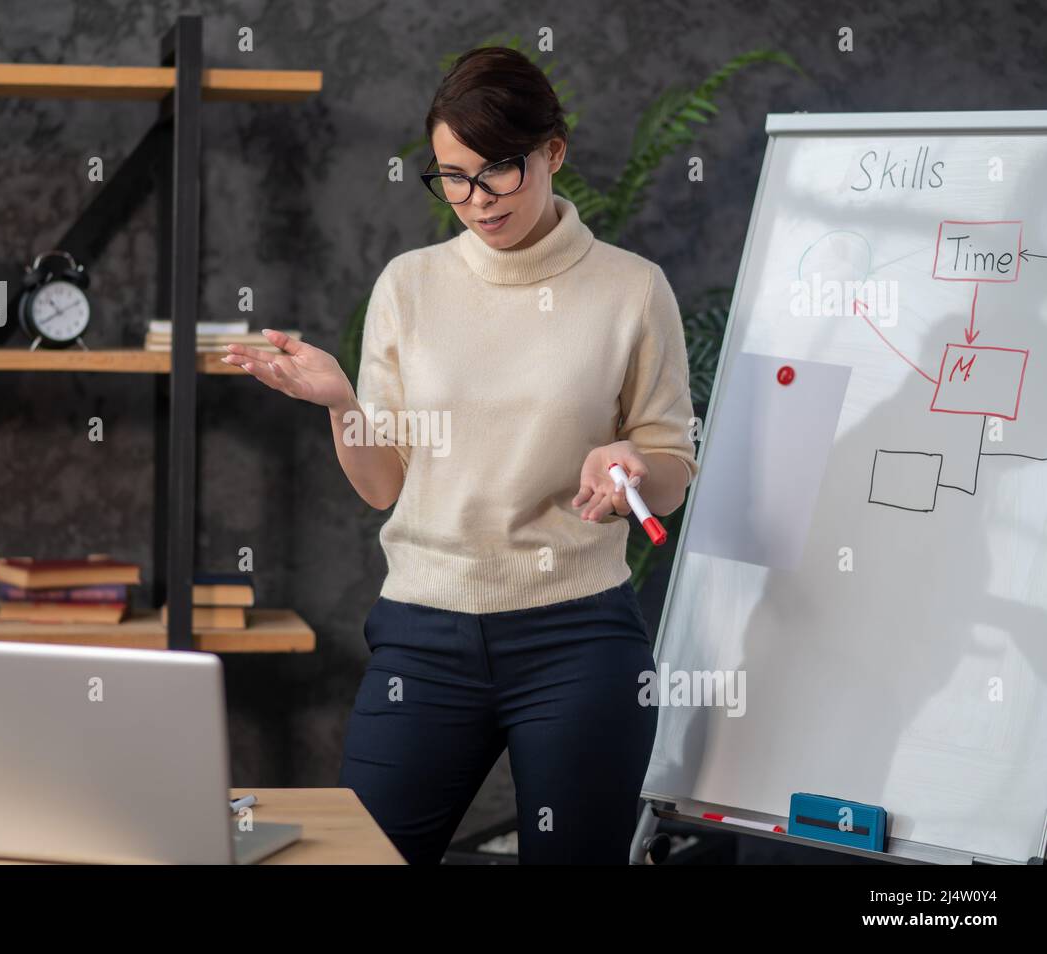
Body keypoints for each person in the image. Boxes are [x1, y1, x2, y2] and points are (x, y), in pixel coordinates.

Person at [223, 46, 699, 864]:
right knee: (362, 856)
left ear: (553, 152)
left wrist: (631, 462)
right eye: (451, 176)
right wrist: (343, 405)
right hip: (425, 634)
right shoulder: (409, 285)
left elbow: (672, 462)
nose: (475, 201)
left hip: (577, 637)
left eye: (498, 172)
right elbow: (383, 487)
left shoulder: (632, 289)